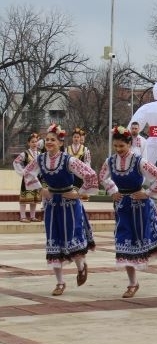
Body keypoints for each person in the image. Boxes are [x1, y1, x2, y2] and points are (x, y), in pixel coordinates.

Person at [22, 123, 98, 296]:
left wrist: (79, 193)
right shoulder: (41, 159)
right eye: (47, 139)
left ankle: (81, 266)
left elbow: (90, 175)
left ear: (60, 142)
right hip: (51, 204)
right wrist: (41, 189)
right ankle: (60, 282)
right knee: (53, 240)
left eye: (52, 140)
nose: (49, 142)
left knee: (73, 237)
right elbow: (27, 173)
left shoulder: (68, 159)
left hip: (69, 204)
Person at [99, 125, 157, 298]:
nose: (118, 149)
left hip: (140, 205)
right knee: (124, 241)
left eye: (122, 146)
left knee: (148, 236)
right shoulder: (110, 161)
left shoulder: (138, 161)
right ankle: (132, 283)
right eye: (116, 146)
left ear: (129, 144)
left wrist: (147, 193)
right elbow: (103, 177)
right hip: (123, 205)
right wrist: (113, 191)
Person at [13, 133, 42, 223]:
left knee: (33, 199)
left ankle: (33, 216)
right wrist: (22, 171)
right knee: (25, 199)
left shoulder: (40, 154)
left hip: (36, 179)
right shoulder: (25, 154)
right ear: (28, 143)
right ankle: (23, 217)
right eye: (32, 142)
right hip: (27, 180)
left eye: (36, 142)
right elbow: (16, 162)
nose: (34, 144)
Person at [66, 127, 92, 200]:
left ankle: (80, 210)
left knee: (80, 195)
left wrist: (87, 173)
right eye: (74, 137)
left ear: (80, 138)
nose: (76, 139)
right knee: (70, 194)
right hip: (70, 174)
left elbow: (87, 162)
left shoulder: (85, 149)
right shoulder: (67, 149)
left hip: (80, 175)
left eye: (78, 137)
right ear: (72, 138)